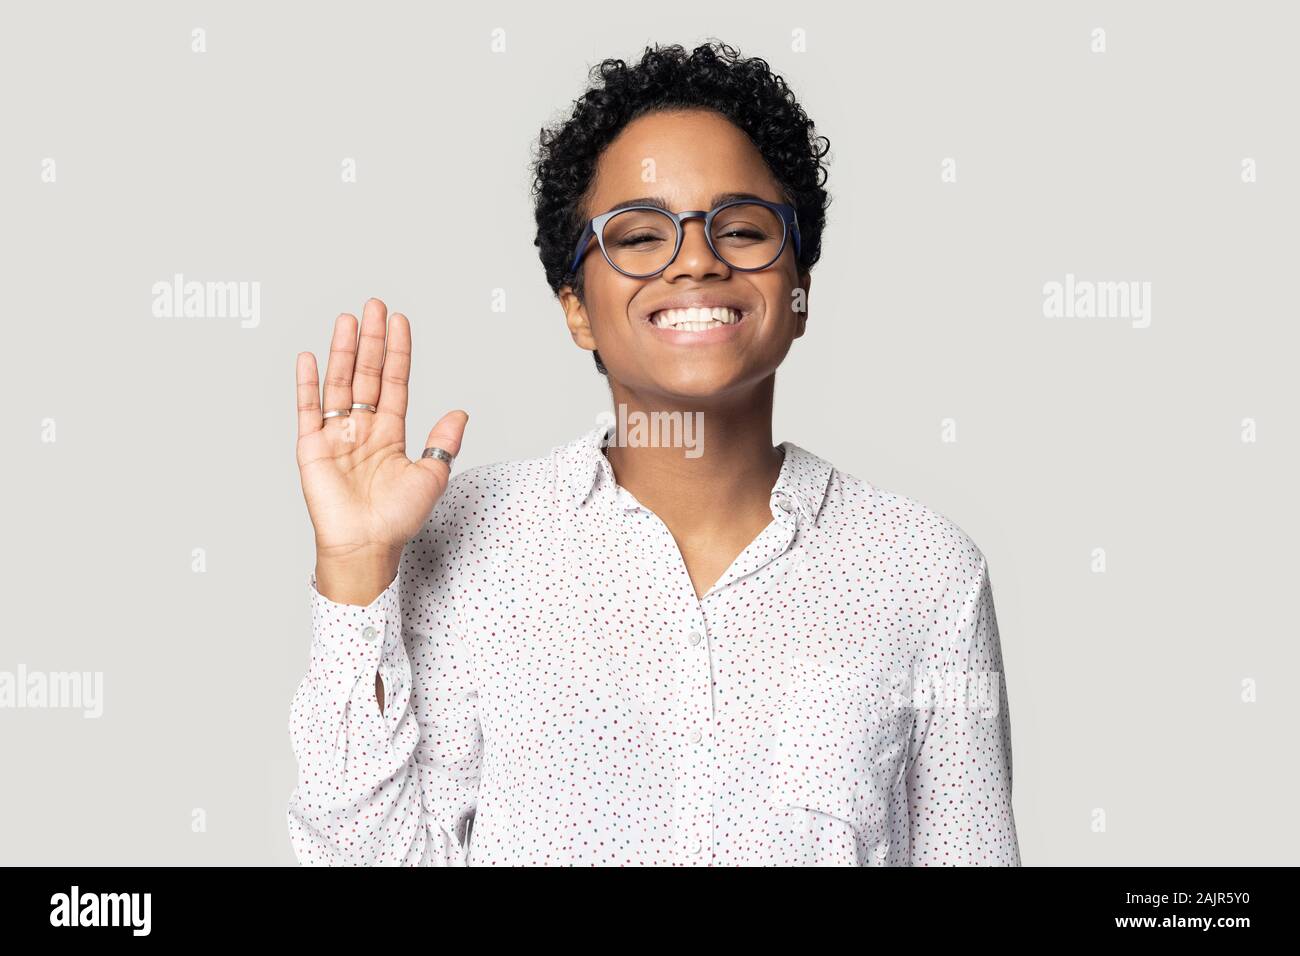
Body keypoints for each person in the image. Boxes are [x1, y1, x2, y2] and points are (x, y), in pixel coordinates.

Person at [287, 39, 1020, 866]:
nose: (698, 260)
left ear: (800, 288)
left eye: (742, 228)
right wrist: (355, 569)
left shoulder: (925, 571)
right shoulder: (464, 543)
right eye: (639, 238)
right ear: (578, 309)